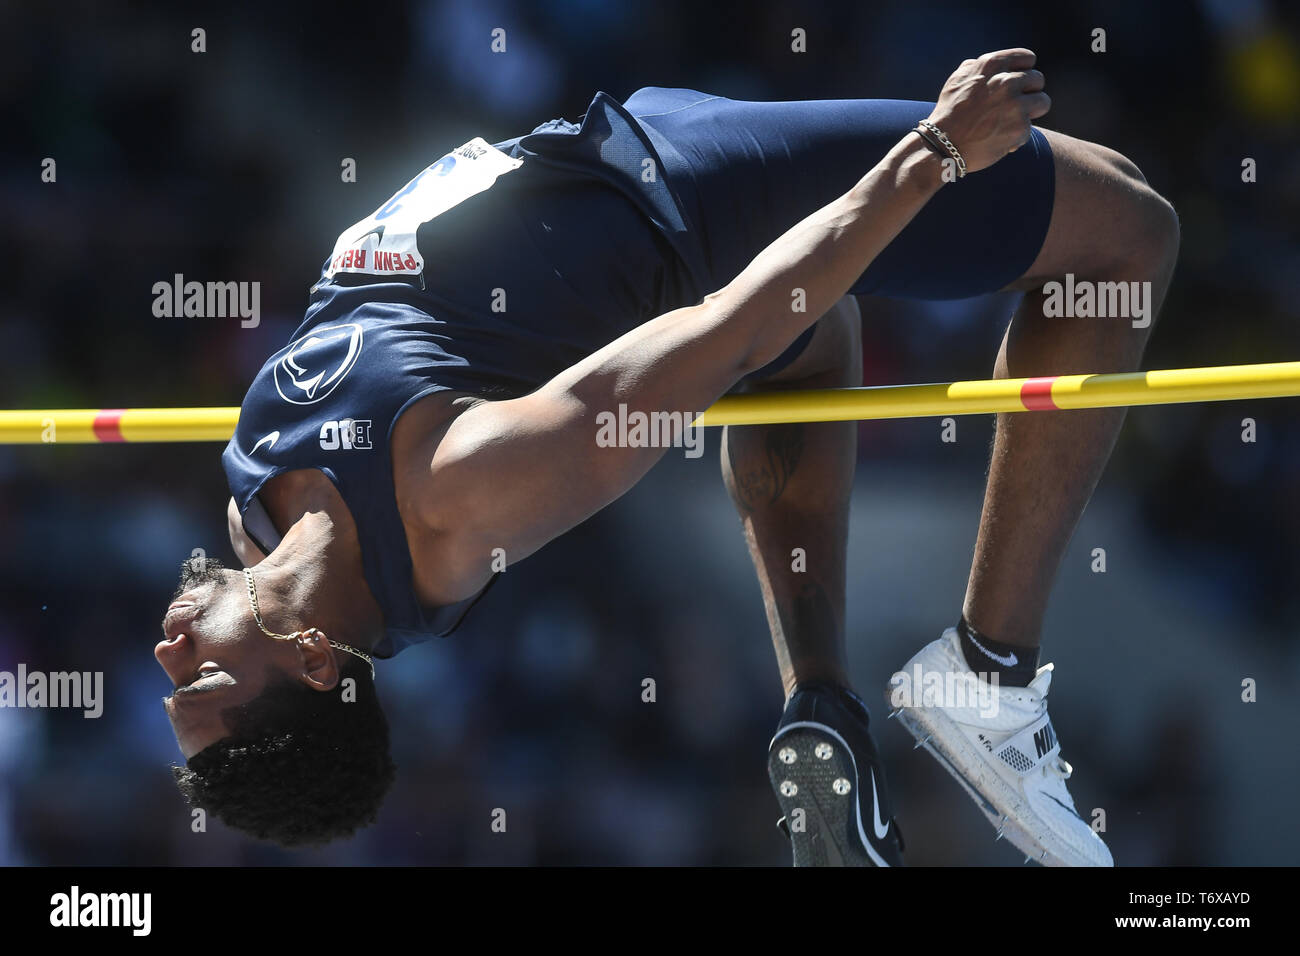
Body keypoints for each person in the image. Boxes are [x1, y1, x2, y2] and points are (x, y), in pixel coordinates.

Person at [156, 48, 1178, 864]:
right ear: (311, 658)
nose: (167, 654)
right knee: (1127, 227)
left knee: (808, 346)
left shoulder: (252, 509)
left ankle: (820, 695)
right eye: (202, 685)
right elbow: (728, 325)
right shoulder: (459, 495)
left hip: (612, 167)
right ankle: (987, 669)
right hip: (693, 195)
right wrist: (934, 152)